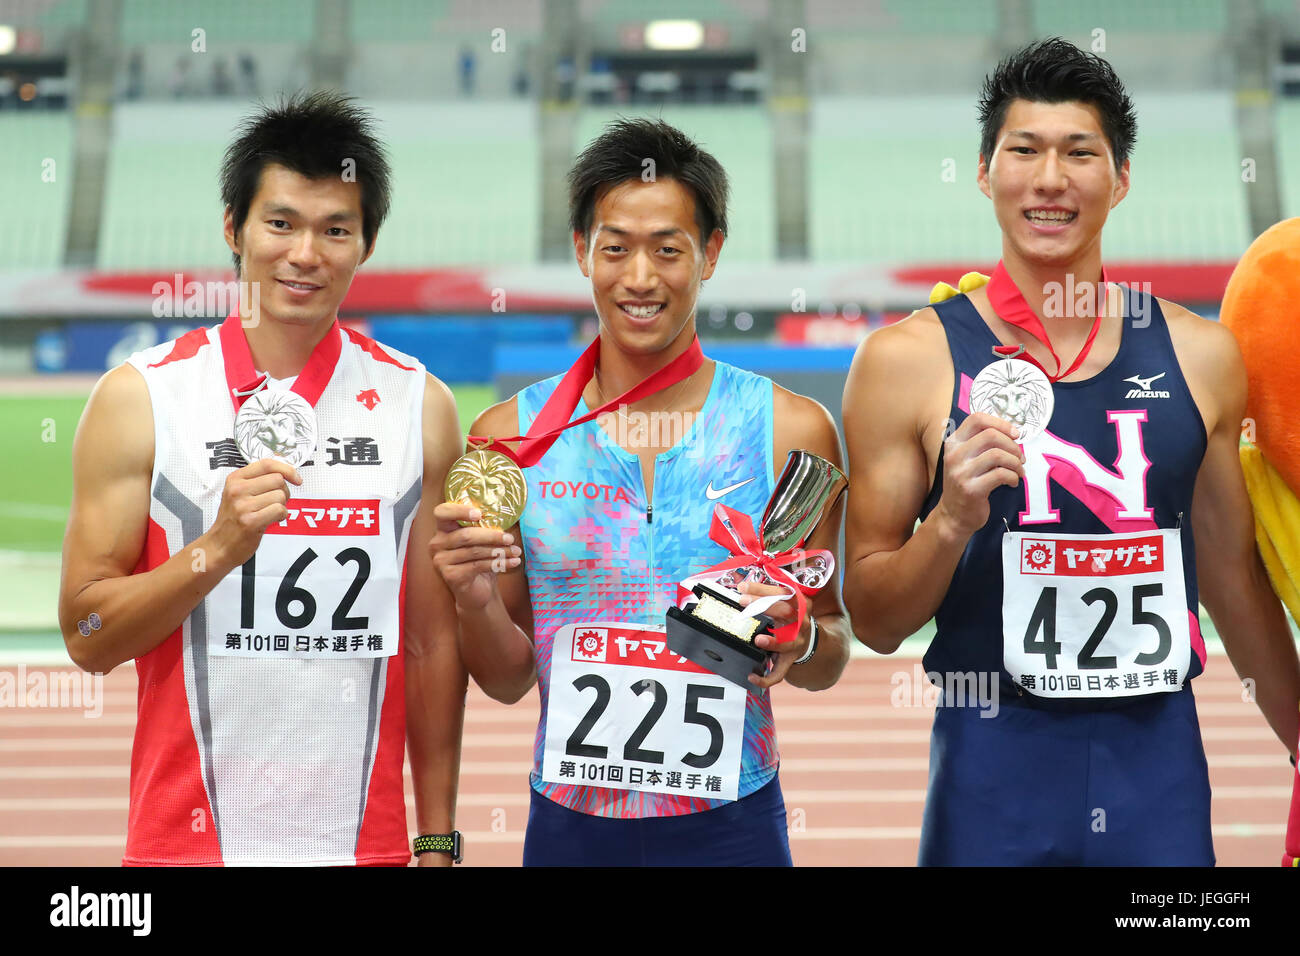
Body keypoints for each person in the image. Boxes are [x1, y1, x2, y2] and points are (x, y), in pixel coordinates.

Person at [841, 37, 1300, 866]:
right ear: (985, 173)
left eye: (1079, 152)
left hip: (1157, 768)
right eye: (1024, 150)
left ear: (1120, 180)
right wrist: (948, 522)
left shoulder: (1201, 355)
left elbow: (1232, 580)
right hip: (990, 764)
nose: (1050, 178)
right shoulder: (905, 364)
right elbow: (873, 621)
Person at [58, 92, 467, 866]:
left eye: (334, 229)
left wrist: (438, 837)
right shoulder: (141, 397)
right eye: (280, 223)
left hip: (363, 849)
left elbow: (430, 645)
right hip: (184, 849)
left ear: (365, 244)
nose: (305, 254)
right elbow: (86, 638)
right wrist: (216, 546)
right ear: (233, 229)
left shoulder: (421, 406)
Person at [430, 118, 850, 866]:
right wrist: (473, 599)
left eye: (668, 249)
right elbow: (505, 677)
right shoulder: (510, 439)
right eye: (616, 248)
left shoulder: (788, 428)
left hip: (735, 822)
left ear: (711, 254)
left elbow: (830, 654)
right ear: (581, 250)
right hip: (570, 827)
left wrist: (803, 639)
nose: (640, 278)